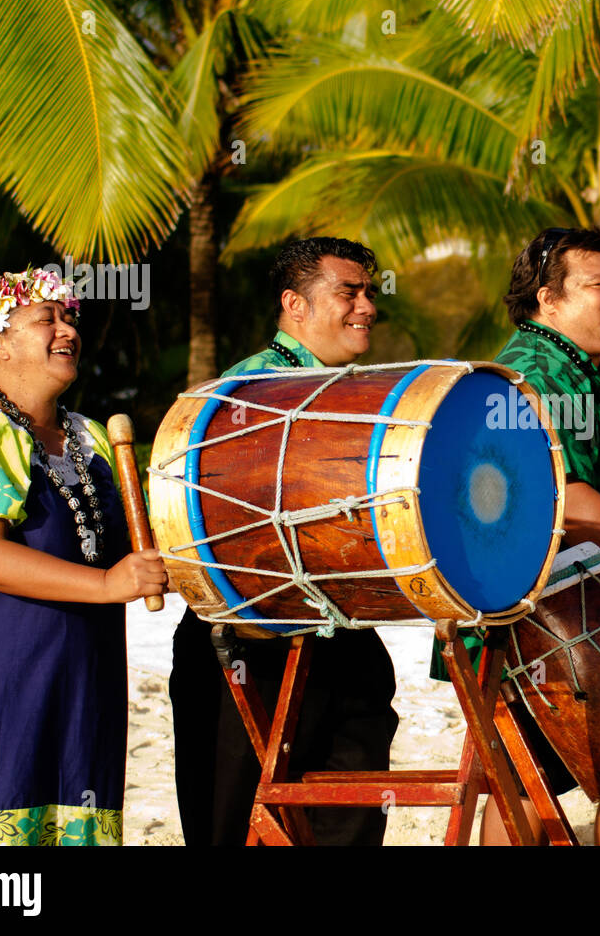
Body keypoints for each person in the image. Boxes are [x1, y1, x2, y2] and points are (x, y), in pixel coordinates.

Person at [0, 268, 167, 845]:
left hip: (79, 685)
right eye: (46, 319)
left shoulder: (90, 435)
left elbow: (123, 548)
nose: (66, 328)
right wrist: (107, 586)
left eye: (69, 317)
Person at [445, 227, 600, 844]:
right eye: (596, 285)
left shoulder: (599, 374)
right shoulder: (530, 374)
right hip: (535, 618)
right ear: (547, 300)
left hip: (594, 608)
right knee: (532, 777)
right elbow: (566, 498)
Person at [168, 236, 400, 846]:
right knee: (234, 824)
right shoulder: (243, 395)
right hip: (244, 636)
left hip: (339, 636)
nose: (367, 307)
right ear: (294, 305)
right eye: (348, 292)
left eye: (370, 292)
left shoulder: (355, 395)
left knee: (344, 820)